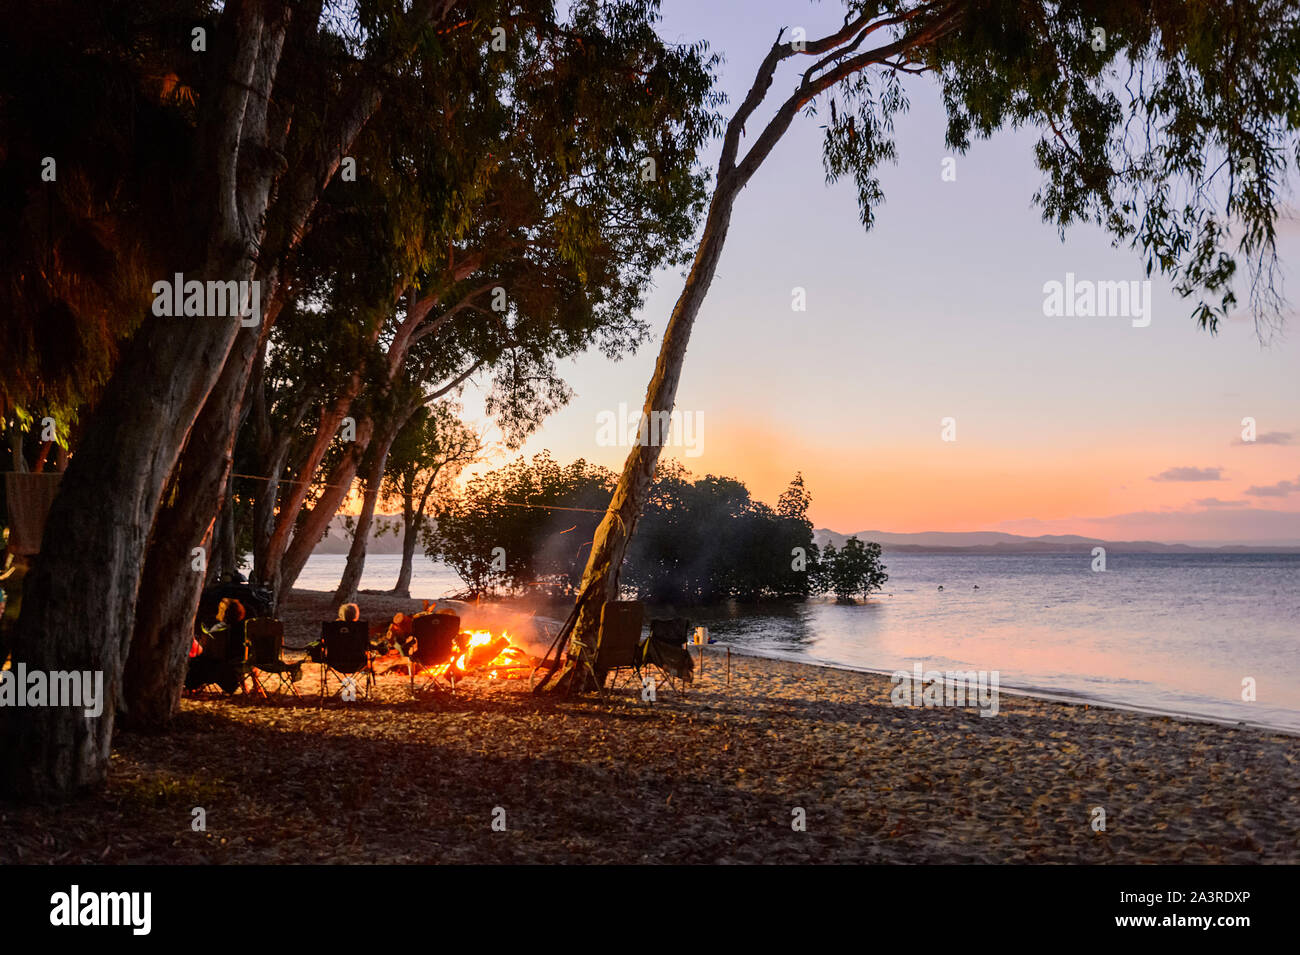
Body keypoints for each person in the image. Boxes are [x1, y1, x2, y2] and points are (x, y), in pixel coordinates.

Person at [186, 597, 246, 693]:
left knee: (199, 663)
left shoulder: (223, 630)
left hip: (224, 666)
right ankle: (191, 686)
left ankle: (191, 686)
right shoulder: (242, 628)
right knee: (201, 662)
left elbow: (216, 652)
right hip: (235, 664)